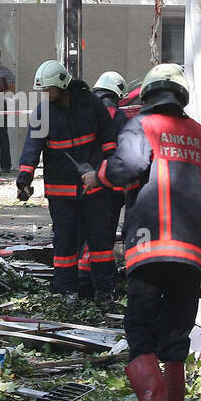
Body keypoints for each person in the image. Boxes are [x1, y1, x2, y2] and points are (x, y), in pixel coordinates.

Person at [97, 64, 201, 401]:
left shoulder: (141, 125)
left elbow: (125, 167)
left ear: (146, 95)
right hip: (190, 253)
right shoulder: (198, 134)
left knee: (140, 330)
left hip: (149, 246)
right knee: (177, 335)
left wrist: (99, 173)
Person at [15, 59, 118, 300]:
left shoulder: (91, 104)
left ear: (62, 85)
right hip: (60, 192)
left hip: (93, 187)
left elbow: (108, 136)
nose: (45, 94)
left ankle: (104, 290)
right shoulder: (42, 112)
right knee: (64, 243)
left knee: (99, 241)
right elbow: (32, 147)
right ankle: (66, 290)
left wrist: (109, 167)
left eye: (47, 89)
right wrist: (24, 179)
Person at [88, 70, 130, 296]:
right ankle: (103, 288)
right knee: (103, 240)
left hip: (81, 183)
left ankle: (78, 285)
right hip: (108, 187)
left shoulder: (81, 110)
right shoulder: (118, 116)